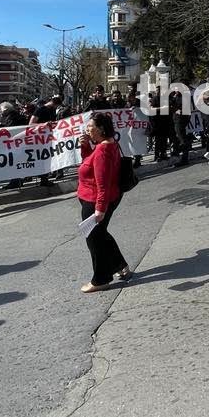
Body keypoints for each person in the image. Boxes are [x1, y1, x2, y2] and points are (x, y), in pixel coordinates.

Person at [76, 113, 131, 292]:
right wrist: (85, 146)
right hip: (96, 198)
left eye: (90, 127)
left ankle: (101, 279)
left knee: (94, 240)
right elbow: (89, 162)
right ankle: (120, 266)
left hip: (95, 201)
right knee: (101, 235)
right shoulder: (104, 145)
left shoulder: (102, 150)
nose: (87, 130)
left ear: (100, 129)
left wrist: (99, 209)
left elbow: (103, 183)